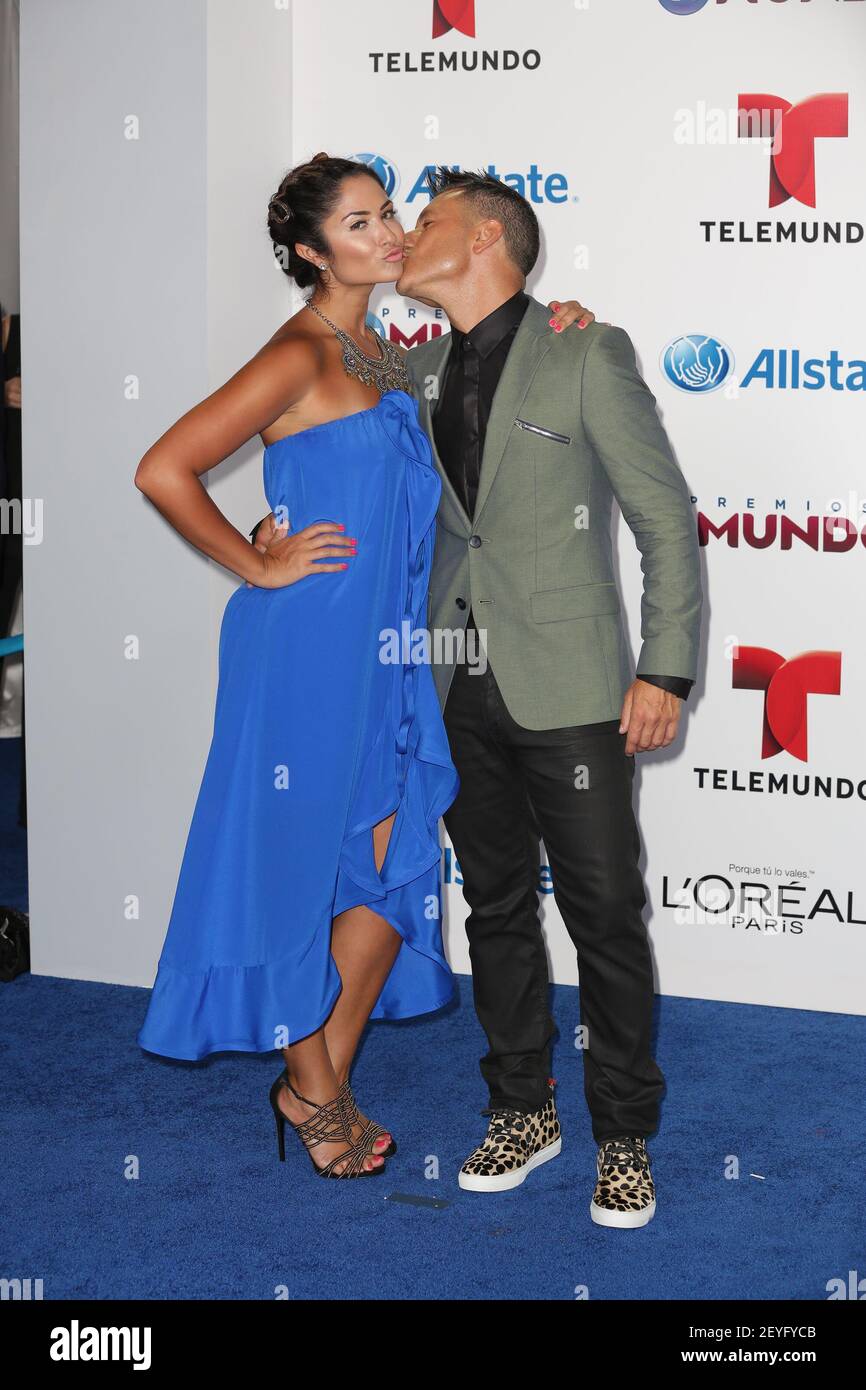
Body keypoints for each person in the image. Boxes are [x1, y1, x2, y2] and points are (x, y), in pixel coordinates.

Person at [256, 166, 703, 1225]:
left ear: (489, 237)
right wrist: (269, 535)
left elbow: (664, 520)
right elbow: (327, 447)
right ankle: (521, 1108)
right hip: (450, 679)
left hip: (573, 680)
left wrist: (665, 667)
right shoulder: (406, 369)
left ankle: (624, 1135)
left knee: (600, 912)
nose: (407, 233)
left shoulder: (586, 349)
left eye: (430, 217)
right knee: (495, 906)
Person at [135, 152, 591, 1180]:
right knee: (297, 868)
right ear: (309, 251)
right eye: (356, 223)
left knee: (389, 867)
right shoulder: (295, 352)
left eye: (387, 213)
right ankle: (321, 1096)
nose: (386, 232)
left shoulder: (387, 350)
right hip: (302, 647)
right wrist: (254, 557)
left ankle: (312, 1081)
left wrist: (560, 325)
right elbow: (164, 467)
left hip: (388, 647)